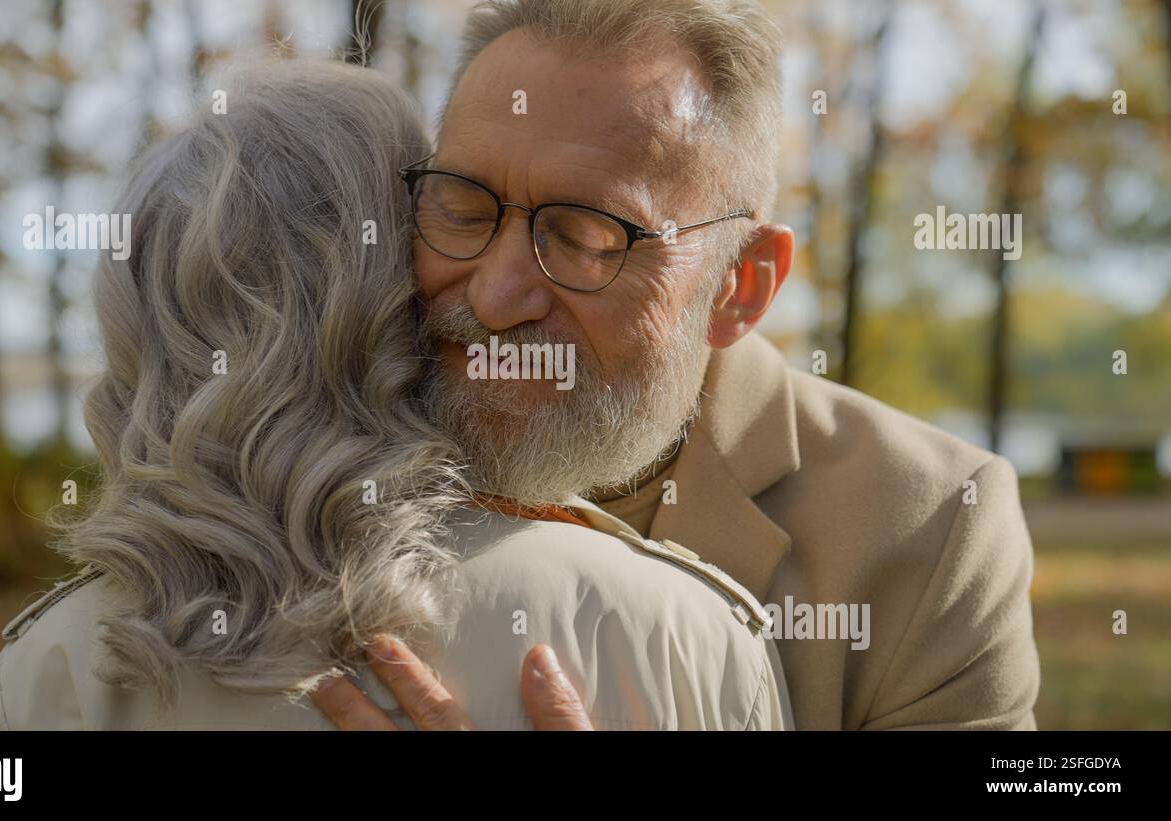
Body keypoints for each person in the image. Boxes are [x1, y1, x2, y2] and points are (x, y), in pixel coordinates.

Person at [0, 58, 791, 731]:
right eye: (459, 212)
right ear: (386, 290)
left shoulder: (52, 663)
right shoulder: (678, 634)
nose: (493, 292)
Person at [332, 0, 1040, 730]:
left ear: (742, 284)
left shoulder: (931, 529)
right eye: (463, 209)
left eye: (587, 237)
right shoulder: (303, 440)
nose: (494, 295)